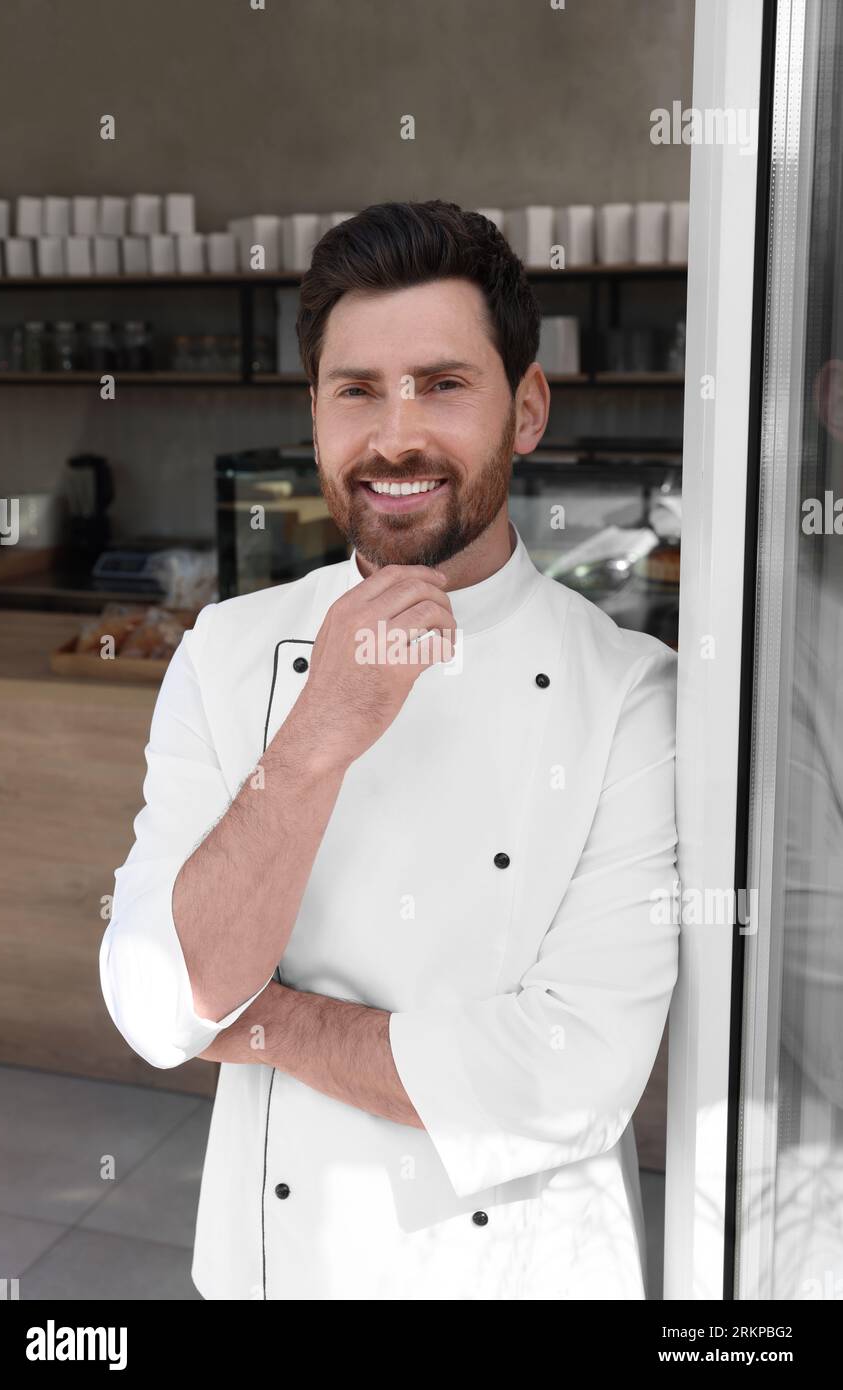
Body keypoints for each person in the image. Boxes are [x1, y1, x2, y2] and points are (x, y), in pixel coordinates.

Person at [99, 199, 680, 1300]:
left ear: (527, 408)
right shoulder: (227, 652)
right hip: (278, 1271)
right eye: (356, 390)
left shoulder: (633, 699)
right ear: (315, 417)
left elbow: (571, 1082)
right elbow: (155, 1003)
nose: (395, 435)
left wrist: (261, 1017)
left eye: (444, 385)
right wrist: (320, 732)